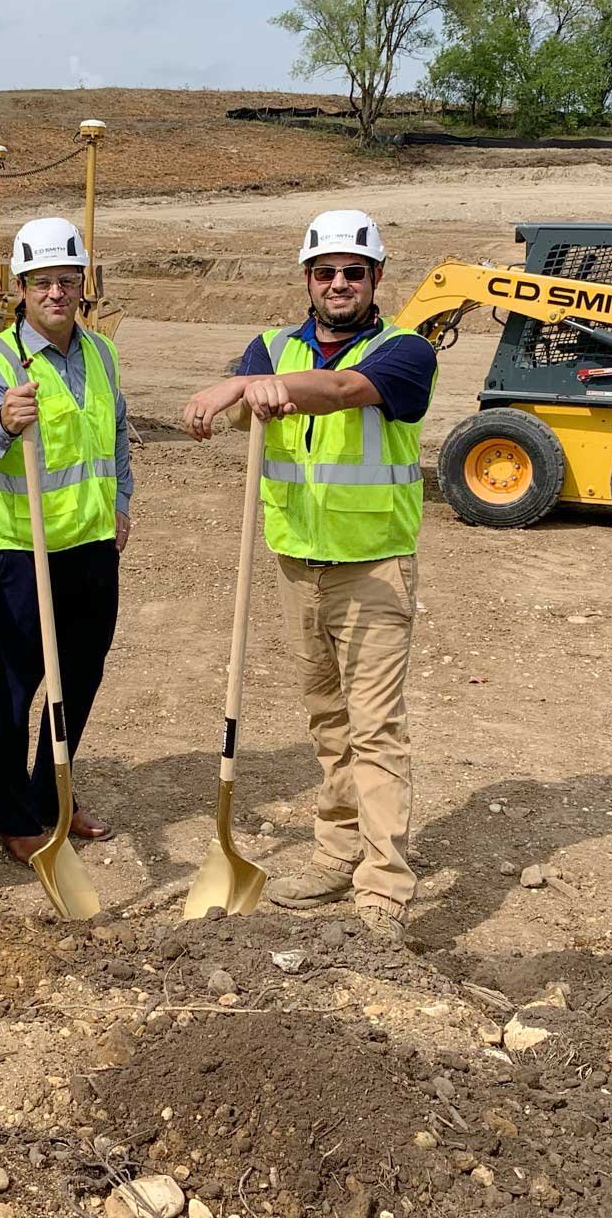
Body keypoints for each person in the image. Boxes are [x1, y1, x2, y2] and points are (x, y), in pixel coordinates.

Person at [182, 209, 437, 942]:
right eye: (324, 272)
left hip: (374, 570)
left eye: (353, 272)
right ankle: (335, 851)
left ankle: (384, 888)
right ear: (306, 278)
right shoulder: (267, 345)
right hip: (300, 566)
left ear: (376, 278)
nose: (338, 284)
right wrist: (222, 395)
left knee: (376, 728)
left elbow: (344, 390)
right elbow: (236, 402)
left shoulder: (405, 350)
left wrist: (260, 385)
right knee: (328, 722)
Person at [0, 217, 132, 864]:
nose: (55, 292)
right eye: (41, 282)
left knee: (82, 675)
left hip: (90, 547)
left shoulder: (102, 353)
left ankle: (52, 791)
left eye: (66, 280)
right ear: (20, 289)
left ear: (81, 284)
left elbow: (114, 434)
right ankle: (13, 816)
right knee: (19, 680)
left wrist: (121, 503)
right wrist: (2, 420)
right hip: (19, 555)